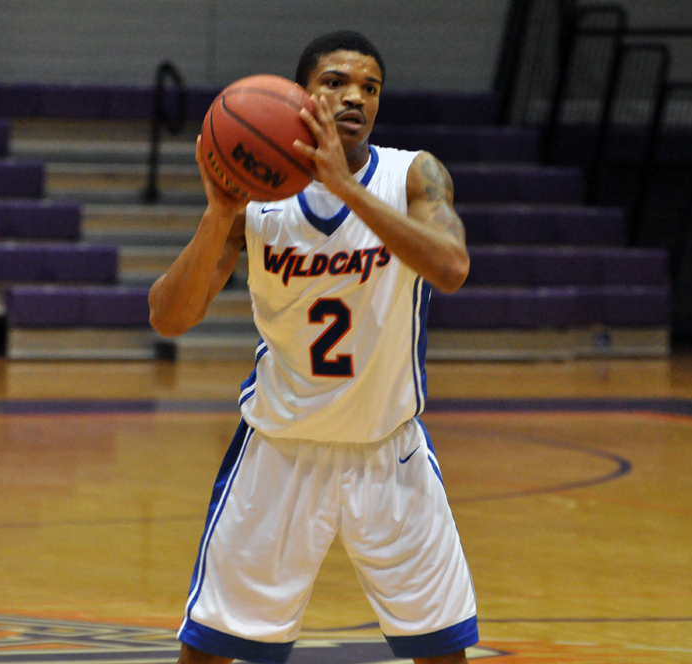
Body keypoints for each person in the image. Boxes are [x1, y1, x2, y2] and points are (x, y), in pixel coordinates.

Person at [149, 30, 476, 664]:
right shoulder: (257, 202)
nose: (355, 97)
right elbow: (169, 317)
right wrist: (219, 215)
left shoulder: (415, 174)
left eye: (369, 87)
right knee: (209, 649)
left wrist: (345, 189)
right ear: (301, 96)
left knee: (442, 651)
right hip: (279, 450)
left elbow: (452, 267)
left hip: (390, 450)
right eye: (335, 83)